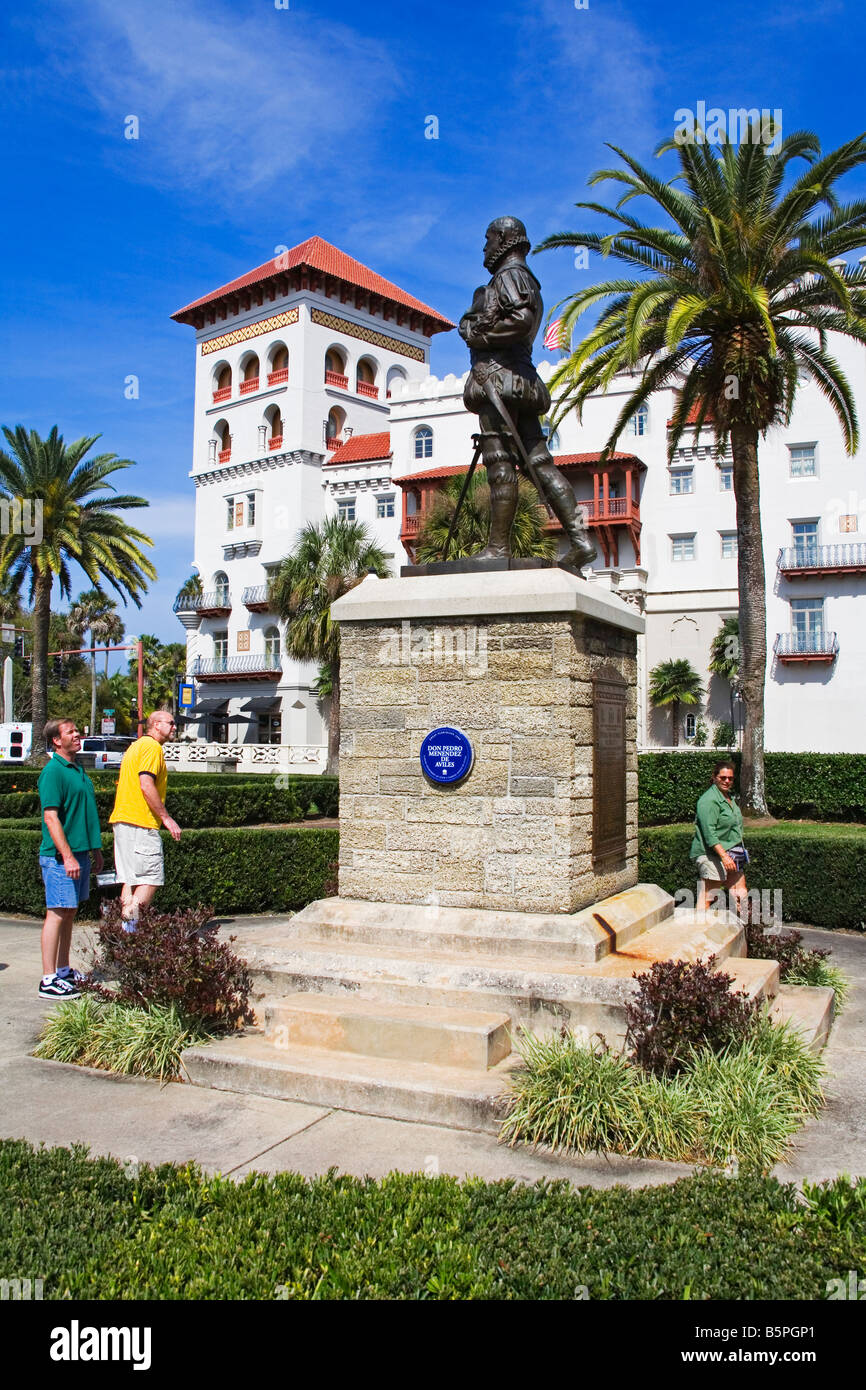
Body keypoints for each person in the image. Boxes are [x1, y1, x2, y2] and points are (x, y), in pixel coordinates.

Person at [458, 215, 597, 569]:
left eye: (489, 239)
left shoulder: (509, 275)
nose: (484, 247)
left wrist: (479, 335)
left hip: (498, 383)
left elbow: (519, 322)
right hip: (519, 382)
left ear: (505, 239)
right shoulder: (524, 278)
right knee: (538, 462)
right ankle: (580, 540)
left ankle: (498, 550)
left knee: (499, 463)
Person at [37, 719, 104, 998]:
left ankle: (63, 970)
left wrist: (95, 850)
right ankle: (48, 978)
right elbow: (51, 818)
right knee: (56, 912)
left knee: (69, 911)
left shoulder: (77, 769)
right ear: (56, 740)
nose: (77, 735)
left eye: (77, 731)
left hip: (79, 853)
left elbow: (84, 814)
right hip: (59, 858)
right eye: (70, 732)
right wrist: (67, 856)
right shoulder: (53, 772)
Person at [109, 711, 181, 930]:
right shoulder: (152, 747)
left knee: (130, 881)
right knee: (151, 878)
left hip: (123, 821)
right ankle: (130, 930)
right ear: (156, 725)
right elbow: (146, 784)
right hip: (141, 822)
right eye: (171, 723)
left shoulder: (136, 746)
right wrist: (166, 818)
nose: (174, 727)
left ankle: (123, 934)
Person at [690, 759, 750, 918]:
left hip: (731, 852)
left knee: (740, 892)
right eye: (723, 777)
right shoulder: (709, 800)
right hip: (712, 854)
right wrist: (724, 856)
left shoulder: (727, 797)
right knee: (709, 895)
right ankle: (699, 935)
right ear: (714, 777)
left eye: (730, 778)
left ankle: (747, 932)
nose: (727, 781)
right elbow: (710, 833)